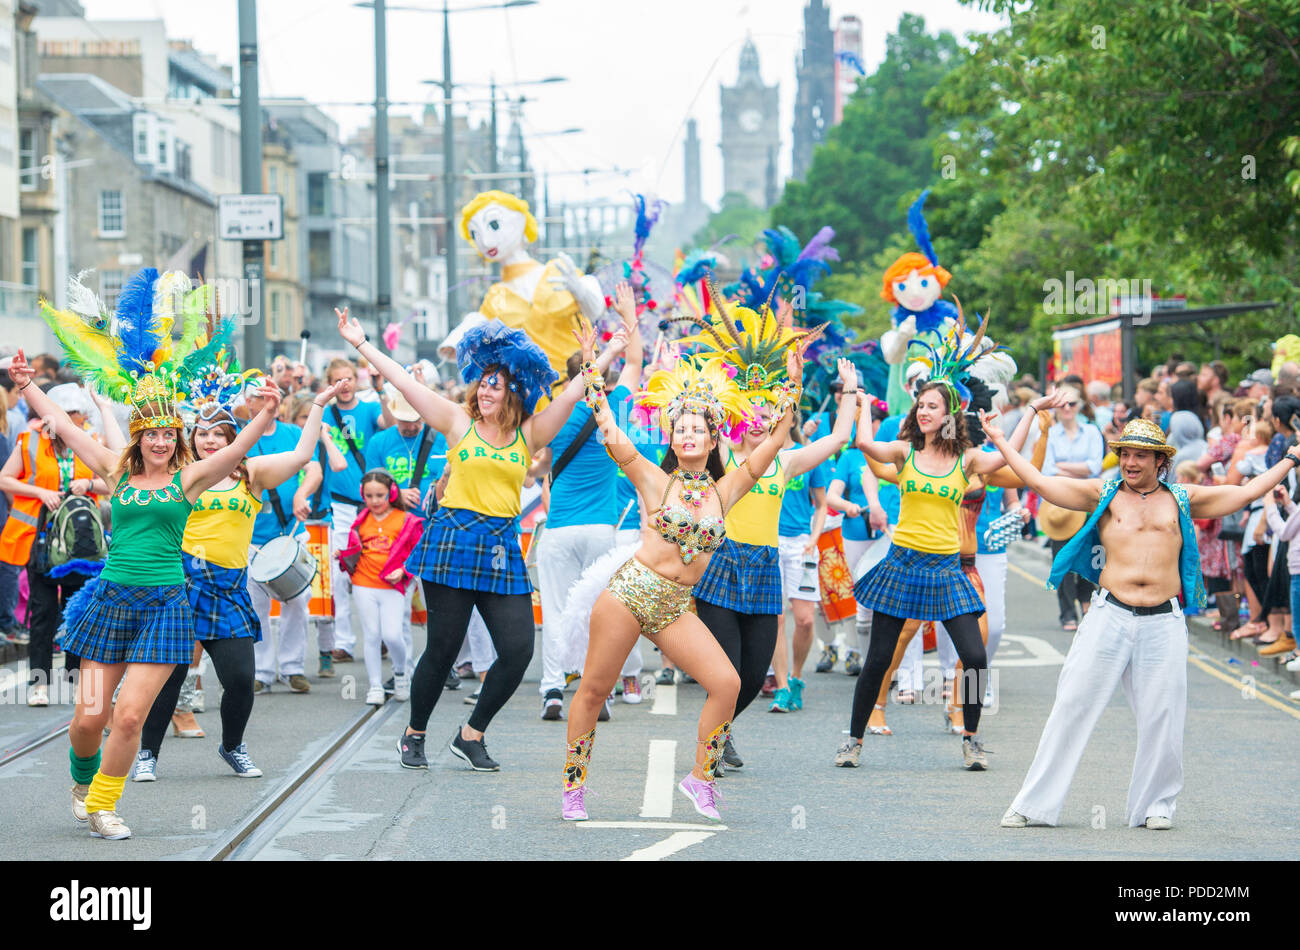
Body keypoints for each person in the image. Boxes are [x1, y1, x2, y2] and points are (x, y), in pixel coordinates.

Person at [19, 291, 284, 840]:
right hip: (109, 603)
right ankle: (82, 779)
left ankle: (104, 804)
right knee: (89, 719)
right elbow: (67, 430)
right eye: (153, 434)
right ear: (139, 438)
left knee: (131, 717)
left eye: (169, 434)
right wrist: (26, 384)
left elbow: (234, 454)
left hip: (167, 606)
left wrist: (266, 412)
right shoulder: (117, 473)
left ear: (176, 439)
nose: (162, 441)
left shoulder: (189, 479)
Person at [336, 307, 626, 774]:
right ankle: (414, 734)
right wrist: (360, 342)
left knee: (517, 650)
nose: (487, 389)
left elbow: (573, 393)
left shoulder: (527, 435)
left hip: (500, 546)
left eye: (497, 382)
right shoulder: (456, 421)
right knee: (443, 649)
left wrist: (608, 351)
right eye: (483, 381)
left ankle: (471, 734)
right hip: (452, 541)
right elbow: (407, 386)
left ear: (512, 390)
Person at [994, 416, 1300, 830]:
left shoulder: (1183, 498)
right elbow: (1039, 482)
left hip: (1163, 622)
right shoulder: (1102, 493)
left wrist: (1293, 459)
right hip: (1108, 614)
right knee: (1072, 705)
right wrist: (999, 439)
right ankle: (1034, 805)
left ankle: (1155, 806)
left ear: (1161, 462)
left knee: (1164, 715)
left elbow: (1246, 491)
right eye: (1125, 454)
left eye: (1140, 455)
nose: (1130, 462)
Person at [560, 327, 806, 823]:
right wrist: (591, 363)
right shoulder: (653, 477)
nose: (688, 434)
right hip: (631, 594)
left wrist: (793, 384)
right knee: (593, 689)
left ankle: (700, 778)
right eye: (681, 428)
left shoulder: (728, 488)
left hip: (675, 606)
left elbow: (777, 438)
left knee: (728, 683)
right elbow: (606, 421)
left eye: (698, 428)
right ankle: (574, 787)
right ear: (672, 437)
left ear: (716, 438)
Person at [834, 371, 1046, 772]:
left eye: (933, 405)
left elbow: (1006, 460)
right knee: (878, 658)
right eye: (922, 405)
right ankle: (854, 739)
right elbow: (863, 443)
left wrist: (1029, 412)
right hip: (903, 565)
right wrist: (860, 404)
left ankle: (971, 738)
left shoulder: (966, 460)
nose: (925, 410)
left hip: (948, 570)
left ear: (951, 415)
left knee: (975, 657)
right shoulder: (904, 451)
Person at [679, 300, 858, 765]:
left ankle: (720, 731)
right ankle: (712, 743)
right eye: (750, 408)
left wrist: (851, 394)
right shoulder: (717, 458)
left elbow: (838, 439)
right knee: (728, 672)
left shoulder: (785, 461)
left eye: (767, 409)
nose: (758, 417)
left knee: (757, 676)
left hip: (763, 566)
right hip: (720, 564)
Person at [135, 378, 339, 780]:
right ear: (191, 438)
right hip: (180, 584)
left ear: (234, 437)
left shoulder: (252, 472)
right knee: (169, 676)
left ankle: (232, 746)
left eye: (219, 434)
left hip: (228, 589)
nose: (211, 441)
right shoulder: (179, 474)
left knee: (242, 680)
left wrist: (316, 405)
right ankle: (147, 753)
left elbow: (301, 456)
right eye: (203, 434)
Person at [536, 281, 645, 721]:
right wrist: (628, 315)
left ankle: (551, 690)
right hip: (603, 530)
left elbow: (538, 463)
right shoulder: (615, 406)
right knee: (601, 612)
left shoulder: (555, 415)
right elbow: (636, 359)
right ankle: (597, 691)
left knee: (557, 611)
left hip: (559, 527)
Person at [0, 384, 109, 703]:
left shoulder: (92, 442)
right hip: (43, 540)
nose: (73, 423)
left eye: (77, 417)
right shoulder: (29, 442)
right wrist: (39, 493)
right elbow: (5, 478)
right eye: (67, 416)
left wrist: (88, 484)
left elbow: (116, 482)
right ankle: (40, 683)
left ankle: (74, 677)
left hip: (83, 542)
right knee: (43, 610)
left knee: (77, 609)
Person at [318, 357, 394, 666]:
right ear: (330, 383)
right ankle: (344, 642)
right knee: (340, 575)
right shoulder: (322, 413)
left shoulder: (369, 407)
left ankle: (383, 637)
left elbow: (388, 424)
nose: (344, 384)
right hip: (339, 504)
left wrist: (382, 392)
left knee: (377, 571)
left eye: (349, 378)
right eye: (338, 379)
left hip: (373, 504)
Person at [337, 469, 425, 705]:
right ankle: (375, 685)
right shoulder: (360, 520)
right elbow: (355, 550)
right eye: (369, 496)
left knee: (393, 635)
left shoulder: (407, 520)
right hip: (364, 583)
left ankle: (401, 673)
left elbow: (418, 554)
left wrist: (404, 571)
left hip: (393, 586)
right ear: (362, 495)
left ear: (392, 493)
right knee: (372, 635)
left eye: (380, 495)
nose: (375, 501)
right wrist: (343, 556)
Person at [1041, 384, 1105, 631]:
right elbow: (1046, 469)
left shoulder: (1091, 432)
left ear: (1080, 406)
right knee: (1063, 558)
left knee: (1091, 554)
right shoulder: (1049, 433)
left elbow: (1095, 466)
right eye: (1062, 404)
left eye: (1072, 404)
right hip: (1060, 502)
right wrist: (1078, 467)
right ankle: (1067, 613)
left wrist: (1063, 466)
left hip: (1088, 501)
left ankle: (1086, 600)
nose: (1067, 409)